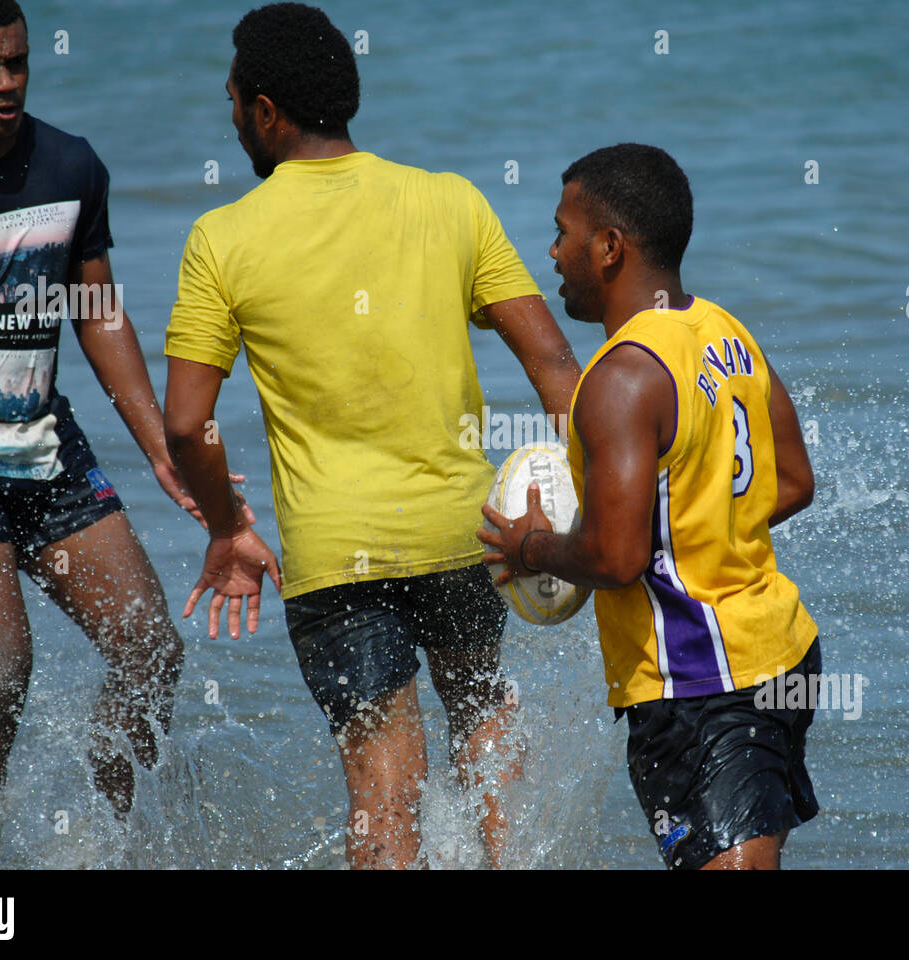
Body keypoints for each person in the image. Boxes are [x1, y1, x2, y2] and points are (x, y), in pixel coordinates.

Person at [162, 2, 581, 869]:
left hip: (337, 556)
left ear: (266, 112)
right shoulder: (449, 202)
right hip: (467, 535)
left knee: (382, 795)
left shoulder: (222, 239)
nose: (234, 115)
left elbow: (183, 422)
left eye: (236, 100)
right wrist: (594, 502)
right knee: (485, 738)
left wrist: (226, 529)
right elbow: (555, 369)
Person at [0, 0, 218, 867]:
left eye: (18, 62)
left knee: (149, 653)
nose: (7, 82)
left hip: (46, 453)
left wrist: (162, 451)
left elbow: (97, 313)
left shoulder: (69, 164)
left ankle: (102, 847)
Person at [480, 144, 821, 870]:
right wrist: (701, 534)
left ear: (608, 248)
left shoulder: (622, 376)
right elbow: (792, 480)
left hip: (701, 678)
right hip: (782, 649)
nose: (552, 252)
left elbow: (617, 556)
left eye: (562, 233)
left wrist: (531, 549)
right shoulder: (727, 333)